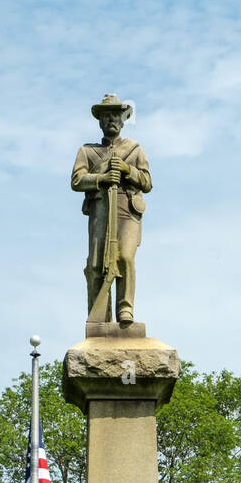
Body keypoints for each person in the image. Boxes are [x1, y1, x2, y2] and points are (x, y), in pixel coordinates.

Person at [70, 94, 151, 325]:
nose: (111, 120)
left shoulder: (134, 149)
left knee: (124, 257)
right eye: (106, 116)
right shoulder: (88, 151)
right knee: (96, 265)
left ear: (123, 119)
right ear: (100, 121)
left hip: (127, 209)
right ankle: (99, 317)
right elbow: (77, 180)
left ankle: (125, 309)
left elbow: (147, 181)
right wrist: (101, 178)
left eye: (116, 115)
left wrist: (127, 169)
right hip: (100, 211)